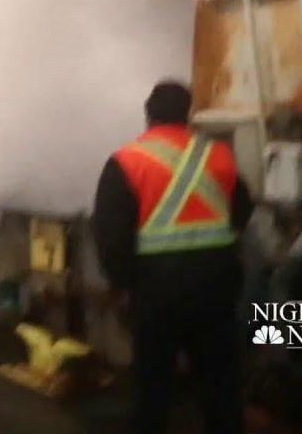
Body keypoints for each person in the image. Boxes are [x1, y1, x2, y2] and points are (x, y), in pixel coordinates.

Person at [92, 80, 254, 434]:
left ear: (148, 115)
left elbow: (110, 235)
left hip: (157, 290)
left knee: (153, 387)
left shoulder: (127, 161)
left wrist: (121, 285)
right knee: (220, 384)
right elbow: (242, 210)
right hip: (216, 284)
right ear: (188, 115)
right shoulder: (218, 155)